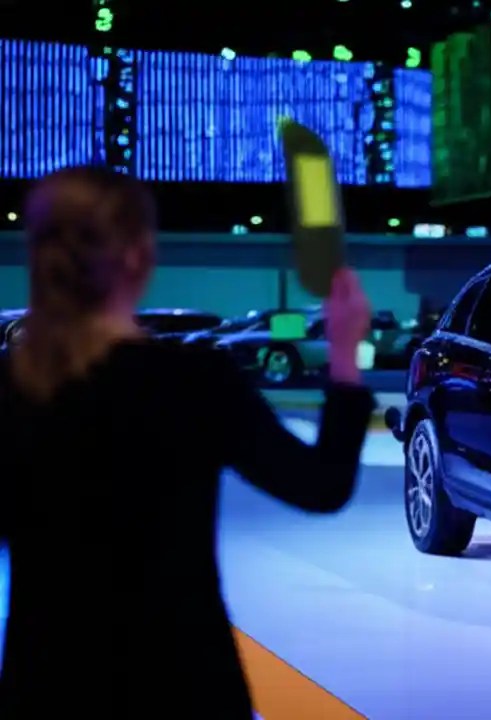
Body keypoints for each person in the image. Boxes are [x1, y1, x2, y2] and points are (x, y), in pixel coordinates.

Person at [0, 165, 375, 717]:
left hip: (45, 687)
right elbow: (321, 485)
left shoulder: (12, 393)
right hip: (185, 684)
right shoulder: (194, 380)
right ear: (138, 257)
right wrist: (344, 356)